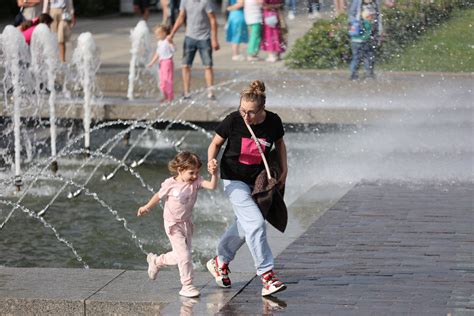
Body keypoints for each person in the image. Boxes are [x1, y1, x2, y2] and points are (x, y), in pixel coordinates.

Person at [206, 80, 288, 297]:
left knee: (246, 223)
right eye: (243, 110)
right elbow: (215, 144)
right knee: (256, 224)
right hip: (233, 179)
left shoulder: (273, 121)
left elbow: (279, 144)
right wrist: (211, 161)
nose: (246, 116)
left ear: (262, 108)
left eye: (251, 112)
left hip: (259, 180)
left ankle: (220, 260)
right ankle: (267, 275)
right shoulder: (233, 120)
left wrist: (284, 170)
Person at [137, 151, 218, 298]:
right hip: (172, 225)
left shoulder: (196, 182)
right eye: (191, 172)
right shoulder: (170, 184)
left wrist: (214, 173)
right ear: (180, 170)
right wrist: (146, 207)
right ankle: (187, 286)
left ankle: (156, 261)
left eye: (197, 172)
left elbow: (212, 186)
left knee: (180, 255)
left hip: (186, 224)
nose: (194, 176)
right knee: (185, 256)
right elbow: (158, 196)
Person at [167, 0, 220, 100]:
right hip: (189, 37)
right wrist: (172, 33)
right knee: (185, 65)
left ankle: (210, 92)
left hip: (204, 38)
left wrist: (214, 39)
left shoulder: (205, 2)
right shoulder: (185, 1)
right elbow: (181, 17)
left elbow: (213, 20)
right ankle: (186, 92)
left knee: (208, 66)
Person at [348, 0, 382, 80]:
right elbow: (351, 15)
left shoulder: (375, 3)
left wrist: (378, 33)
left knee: (369, 55)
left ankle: (369, 73)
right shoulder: (357, 3)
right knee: (357, 57)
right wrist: (355, 23)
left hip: (367, 39)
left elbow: (378, 17)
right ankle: (354, 74)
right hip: (357, 39)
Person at [147, 24, 175, 102]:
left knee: (168, 80)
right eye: (156, 35)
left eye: (158, 34)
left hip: (168, 62)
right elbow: (158, 53)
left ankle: (170, 97)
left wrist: (171, 43)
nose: (156, 36)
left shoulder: (167, 41)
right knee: (162, 81)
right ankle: (165, 95)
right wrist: (152, 62)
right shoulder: (159, 42)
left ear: (164, 33)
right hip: (161, 63)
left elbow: (174, 50)